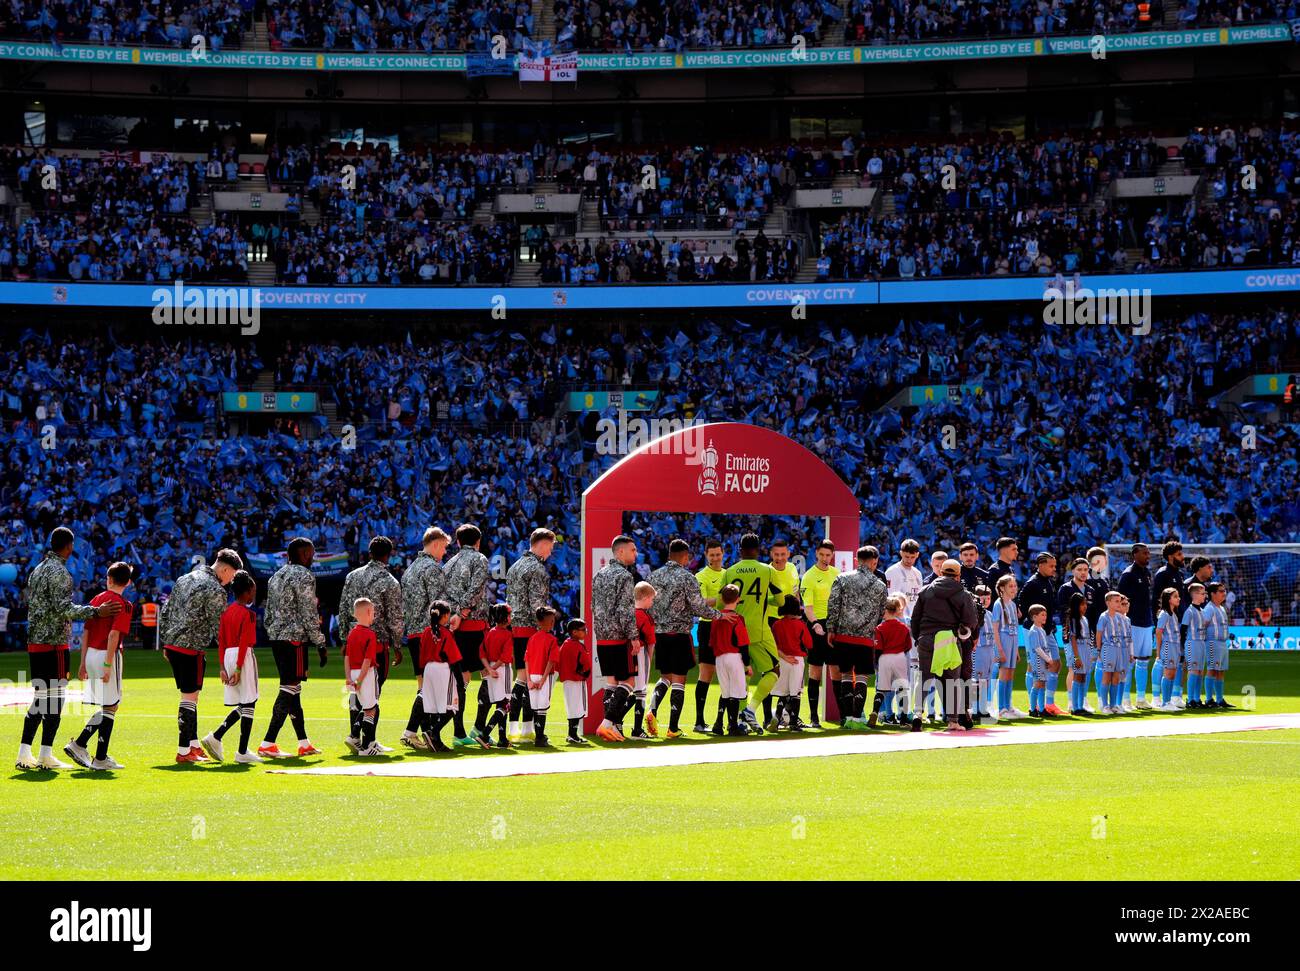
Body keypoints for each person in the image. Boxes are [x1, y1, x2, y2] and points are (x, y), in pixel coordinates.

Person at [17, 527, 125, 771]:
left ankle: (25, 752)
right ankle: (44, 753)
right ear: (69, 546)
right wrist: (95, 611)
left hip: (35, 640)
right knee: (55, 699)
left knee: (41, 697)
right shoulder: (61, 573)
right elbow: (64, 608)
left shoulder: (37, 570)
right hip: (54, 642)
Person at [161, 549, 243, 764]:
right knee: (190, 697)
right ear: (225, 569)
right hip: (192, 646)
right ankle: (183, 750)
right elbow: (220, 628)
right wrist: (229, 660)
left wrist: (165, 642)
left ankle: (194, 746)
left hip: (173, 643)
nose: (231, 581)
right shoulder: (215, 589)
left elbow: (166, 610)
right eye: (232, 576)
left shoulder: (185, 577)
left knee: (191, 697)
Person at [261, 536, 327, 759]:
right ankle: (268, 742)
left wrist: (273, 632)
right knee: (289, 688)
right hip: (295, 638)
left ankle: (303, 742)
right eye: (311, 553)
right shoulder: (304, 575)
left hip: (277, 638)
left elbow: (268, 611)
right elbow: (309, 612)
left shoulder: (275, 576)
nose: (313, 557)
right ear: (305, 554)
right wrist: (319, 642)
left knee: (293, 691)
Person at [647, 538, 720, 739]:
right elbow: (699, 607)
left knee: (665, 677)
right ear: (685, 556)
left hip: (660, 634)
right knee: (679, 680)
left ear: (669, 554)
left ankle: (652, 711)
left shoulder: (653, 576)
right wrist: (720, 615)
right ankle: (672, 727)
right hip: (680, 634)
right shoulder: (688, 578)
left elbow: (648, 604)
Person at [64, 561, 134, 771]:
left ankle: (91, 751)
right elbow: (114, 635)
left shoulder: (97, 599)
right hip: (106, 655)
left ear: (108, 579)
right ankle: (87, 749)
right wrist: (107, 664)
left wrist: (83, 662)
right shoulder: (124, 604)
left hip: (91, 654)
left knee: (107, 705)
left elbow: (85, 632)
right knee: (111, 706)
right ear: (128, 582)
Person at [337, 537, 403, 754]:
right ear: (388, 554)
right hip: (376, 642)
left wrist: (344, 638)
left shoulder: (352, 576)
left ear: (369, 552)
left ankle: (357, 737)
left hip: (353, 639)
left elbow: (343, 608)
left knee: (356, 694)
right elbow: (394, 616)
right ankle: (368, 741)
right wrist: (397, 644)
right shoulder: (389, 581)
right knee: (372, 696)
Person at [909, 558, 980, 732]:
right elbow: (971, 621)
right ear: (958, 575)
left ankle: (918, 714)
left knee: (924, 677)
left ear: (941, 572)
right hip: (948, 639)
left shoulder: (925, 591)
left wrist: (919, 638)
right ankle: (953, 721)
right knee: (952, 681)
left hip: (926, 637)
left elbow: (915, 619)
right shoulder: (963, 594)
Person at [398, 526, 452, 751]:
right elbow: (438, 605)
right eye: (445, 548)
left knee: (423, 686)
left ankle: (423, 733)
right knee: (433, 689)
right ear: (437, 543)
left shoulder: (410, 569)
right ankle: (414, 731)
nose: (445, 553)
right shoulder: (433, 568)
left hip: (413, 634)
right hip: (430, 634)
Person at [721, 533, 778, 734]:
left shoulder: (729, 572)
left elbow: (722, 603)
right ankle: (750, 709)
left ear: (740, 549)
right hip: (759, 631)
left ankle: (737, 722)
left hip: (734, 631)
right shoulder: (767, 570)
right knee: (773, 671)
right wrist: (765, 599)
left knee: (742, 676)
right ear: (758, 549)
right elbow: (779, 600)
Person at [825, 545, 888, 729]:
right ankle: (858, 719)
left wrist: (831, 629)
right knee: (861, 676)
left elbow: (833, 605)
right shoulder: (880, 585)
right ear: (874, 561)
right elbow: (881, 612)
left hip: (843, 635)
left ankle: (847, 719)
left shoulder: (842, 578)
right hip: (865, 638)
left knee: (845, 674)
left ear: (857, 560)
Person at [202, 570, 261, 764]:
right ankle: (242, 751)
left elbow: (222, 641)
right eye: (252, 590)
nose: (254, 594)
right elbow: (245, 641)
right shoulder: (248, 614)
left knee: (244, 702)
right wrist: (238, 668)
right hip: (242, 657)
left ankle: (217, 736)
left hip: (227, 656)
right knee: (250, 701)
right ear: (247, 591)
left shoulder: (226, 613)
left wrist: (222, 667)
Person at [445, 523, 493, 747]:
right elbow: (476, 588)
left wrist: (455, 615)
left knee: (462, 680)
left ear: (457, 542)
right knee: (489, 675)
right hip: (474, 625)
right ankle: (479, 728)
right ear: (478, 541)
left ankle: (459, 732)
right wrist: (463, 613)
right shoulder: (480, 559)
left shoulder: (449, 563)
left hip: (456, 628)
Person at [504, 527, 555, 741]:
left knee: (521, 677)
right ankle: (527, 728)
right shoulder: (538, 569)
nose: (551, 552)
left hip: (516, 627)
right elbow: (538, 606)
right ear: (542, 544)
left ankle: (514, 728)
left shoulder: (514, 567)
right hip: (532, 631)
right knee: (532, 679)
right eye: (550, 547)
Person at [593, 535, 641, 743]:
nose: (636, 553)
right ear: (620, 552)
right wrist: (634, 637)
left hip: (602, 636)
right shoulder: (624, 576)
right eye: (633, 550)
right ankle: (606, 724)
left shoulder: (599, 574)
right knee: (629, 680)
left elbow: (593, 606)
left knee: (611, 682)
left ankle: (612, 727)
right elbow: (625, 610)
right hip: (619, 636)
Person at [799, 539, 839, 728]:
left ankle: (843, 716)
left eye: (828, 555)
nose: (825, 558)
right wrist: (815, 623)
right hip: (817, 626)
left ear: (832, 555)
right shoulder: (808, 576)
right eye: (822, 554)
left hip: (834, 626)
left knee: (836, 670)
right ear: (816, 553)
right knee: (815, 671)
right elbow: (808, 607)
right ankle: (814, 717)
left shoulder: (837, 574)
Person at [762, 538, 802, 725]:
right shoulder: (766, 572)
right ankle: (767, 717)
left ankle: (789, 714)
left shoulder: (793, 570)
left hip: (789, 623)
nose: (780, 558)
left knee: (792, 668)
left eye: (783, 554)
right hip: (770, 622)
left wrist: (796, 615)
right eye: (776, 555)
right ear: (771, 555)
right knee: (770, 669)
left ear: (788, 554)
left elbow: (795, 595)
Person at [1018, 552, 1060, 714]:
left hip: (1048, 630)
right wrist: (1032, 624)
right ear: (1040, 565)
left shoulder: (1048, 582)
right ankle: (1034, 704)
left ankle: (1049, 703)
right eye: (1051, 565)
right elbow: (1021, 604)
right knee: (1033, 666)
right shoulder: (1032, 584)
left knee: (1055, 663)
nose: (1054, 569)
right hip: (1034, 630)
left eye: (1054, 565)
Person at [692, 539, 727, 734]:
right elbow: (703, 604)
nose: (715, 558)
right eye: (711, 554)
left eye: (718, 554)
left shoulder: (728, 574)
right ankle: (699, 721)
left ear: (723, 553)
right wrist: (725, 598)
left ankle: (722, 721)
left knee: (727, 673)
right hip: (707, 628)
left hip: (726, 627)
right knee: (706, 673)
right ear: (706, 555)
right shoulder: (700, 576)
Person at [418, 600, 461, 752]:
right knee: (451, 707)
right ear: (445, 616)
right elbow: (454, 658)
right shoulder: (446, 633)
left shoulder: (425, 632)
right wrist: (460, 682)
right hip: (442, 670)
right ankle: (433, 732)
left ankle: (436, 741)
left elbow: (421, 657)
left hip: (428, 670)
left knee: (435, 709)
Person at [1116, 543, 1155, 709]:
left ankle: (1140, 698)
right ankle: (1125, 699)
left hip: (1146, 622)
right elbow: (1120, 601)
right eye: (1145, 553)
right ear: (1135, 554)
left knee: (1144, 661)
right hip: (1132, 623)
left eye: (1148, 553)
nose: (1148, 555)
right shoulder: (1128, 574)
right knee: (1129, 661)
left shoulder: (1146, 573)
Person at [710, 584, 752, 736]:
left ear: (722, 598)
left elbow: (712, 642)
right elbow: (743, 644)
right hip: (734, 657)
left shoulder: (716, 618)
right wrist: (747, 665)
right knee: (736, 693)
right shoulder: (738, 619)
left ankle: (718, 723)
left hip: (719, 658)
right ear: (738, 599)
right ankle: (733, 726)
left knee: (725, 693)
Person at [345, 598, 384, 756]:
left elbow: (347, 657)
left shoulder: (352, 633)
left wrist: (349, 678)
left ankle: (354, 736)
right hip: (366, 674)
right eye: (373, 612)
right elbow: (368, 660)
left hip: (353, 672)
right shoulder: (370, 634)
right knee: (371, 709)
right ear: (368, 612)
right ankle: (367, 747)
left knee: (365, 707)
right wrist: (360, 680)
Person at [769, 594, 811, 731]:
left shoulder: (776, 624)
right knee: (795, 693)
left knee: (783, 692)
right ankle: (793, 722)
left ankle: (777, 717)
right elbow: (809, 643)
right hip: (797, 661)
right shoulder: (800, 625)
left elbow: (772, 644)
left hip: (781, 659)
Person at [869, 595, 912, 727]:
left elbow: (878, 648)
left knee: (881, 689)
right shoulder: (904, 627)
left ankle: (875, 712)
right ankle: (903, 719)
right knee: (902, 690)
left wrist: (876, 664)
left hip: (885, 659)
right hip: (899, 658)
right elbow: (908, 647)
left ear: (886, 610)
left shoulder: (880, 628)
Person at [477, 603, 514, 747]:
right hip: (502, 670)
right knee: (505, 705)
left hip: (492, 672)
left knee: (500, 705)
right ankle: (484, 734)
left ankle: (502, 739)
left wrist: (489, 668)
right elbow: (505, 657)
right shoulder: (507, 634)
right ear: (505, 617)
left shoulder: (490, 632)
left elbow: (482, 653)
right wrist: (494, 668)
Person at [524, 606, 561, 747]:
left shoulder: (532, 638)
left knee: (536, 707)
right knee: (542, 707)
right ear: (541, 622)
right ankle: (540, 738)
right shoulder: (552, 639)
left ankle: (539, 736)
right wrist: (544, 679)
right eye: (550, 621)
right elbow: (551, 661)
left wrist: (528, 679)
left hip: (532, 675)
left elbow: (526, 659)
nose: (552, 623)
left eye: (553, 621)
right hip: (544, 676)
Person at [992, 574, 1023, 719]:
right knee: (1003, 673)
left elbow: (1015, 628)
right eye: (1010, 586)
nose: (1014, 588)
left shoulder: (1012, 604)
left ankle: (1008, 705)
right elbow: (995, 629)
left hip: (1012, 639)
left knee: (1010, 673)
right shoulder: (998, 604)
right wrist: (999, 650)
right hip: (1003, 640)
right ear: (1002, 588)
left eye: (1015, 585)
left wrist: (1016, 649)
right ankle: (1001, 708)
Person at [630, 581, 657, 739]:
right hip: (640, 653)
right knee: (640, 692)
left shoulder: (628, 613)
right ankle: (637, 730)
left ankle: (616, 723)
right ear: (646, 598)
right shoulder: (645, 616)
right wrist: (649, 659)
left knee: (627, 689)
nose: (652, 602)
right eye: (652, 599)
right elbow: (651, 642)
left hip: (626, 654)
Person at [558, 619, 592, 745]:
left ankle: (572, 734)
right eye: (583, 630)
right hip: (577, 679)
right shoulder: (577, 645)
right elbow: (586, 663)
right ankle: (572, 735)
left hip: (567, 680)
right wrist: (586, 673)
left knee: (572, 707)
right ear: (574, 632)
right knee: (578, 707)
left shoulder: (565, 644)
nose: (585, 631)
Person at [1203, 581, 1232, 709]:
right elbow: (1203, 624)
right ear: (1212, 594)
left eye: (1224, 591)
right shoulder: (1209, 608)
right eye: (1221, 591)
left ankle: (1220, 699)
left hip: (1222, 643)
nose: (1224, 593)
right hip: (1212, 642)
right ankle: (1209, 699)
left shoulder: (1221, 607)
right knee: (1212, 670)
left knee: (1220, 671)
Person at [1096, 591, 1126, 715]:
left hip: (1118, 649)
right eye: (1116, 601)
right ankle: (1104, 705)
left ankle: (1113, 705)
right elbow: (1099, 633)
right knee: (1107, 675)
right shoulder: (1103, 617)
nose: (1119, 603)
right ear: (1108, 603)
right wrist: (1098, 650)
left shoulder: (1120, 617)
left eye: (1120, 601)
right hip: (1108, 648)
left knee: (1116, 677)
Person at [972, 584, 998, 722]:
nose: (986, 601)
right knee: (976, 679)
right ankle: (975, 708)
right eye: (983, 599)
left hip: (989, 650)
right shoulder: (975, 613)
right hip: (979, 649)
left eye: (988, 598)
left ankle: (983, 708)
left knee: (986, 680)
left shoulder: (990, 614)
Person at [1155, 588, 1182, 712]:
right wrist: (1158, 650)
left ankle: (1169, 701)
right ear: (1168, 599)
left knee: (1173, 674)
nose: (1178, 598)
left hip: (1175, 647)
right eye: (1175, 596)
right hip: (1168, 646)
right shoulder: (1164, 614)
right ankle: (1165, 703)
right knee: (1168, 673)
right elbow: (1158, 632)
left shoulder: (1174, 614)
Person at [1182, 582, 1209, 708]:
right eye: (1203, 593)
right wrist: (1182, 648)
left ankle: (1197, 698)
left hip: (1201, 643)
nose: (1205, 596)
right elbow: (1183, 629)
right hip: (1192, 642)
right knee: (1193, 670)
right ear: (1195, 594)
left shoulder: (1202, 611)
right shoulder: (1189, 611)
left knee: (1199, 671)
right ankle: (1190, 699)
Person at [1065, 591, 1091, 716]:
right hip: (1078, 651)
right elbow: (1073, 639)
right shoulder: (1073, 620)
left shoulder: (1084, 619)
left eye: (1085, 604)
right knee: (1077, 677)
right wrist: (1076, 657)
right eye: (1082, 604)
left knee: (1083, 678)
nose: (1084, 607)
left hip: (1085, 650)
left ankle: (1081, 706)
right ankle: (1075, 707)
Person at [1025, 606, 1052, 719]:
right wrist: (1048, 659)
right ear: (1034, 617)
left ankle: (1042, 709)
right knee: (1037, 684)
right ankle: (1032, 709)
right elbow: (1037, 648)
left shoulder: (1041, 630)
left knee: (1043, 684)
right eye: (1042, 615)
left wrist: (1048, 659)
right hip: (1037, 662)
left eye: (1045, 615)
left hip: (1044, 661)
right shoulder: (1033, 631)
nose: (1044, 617)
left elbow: (1046, 647)